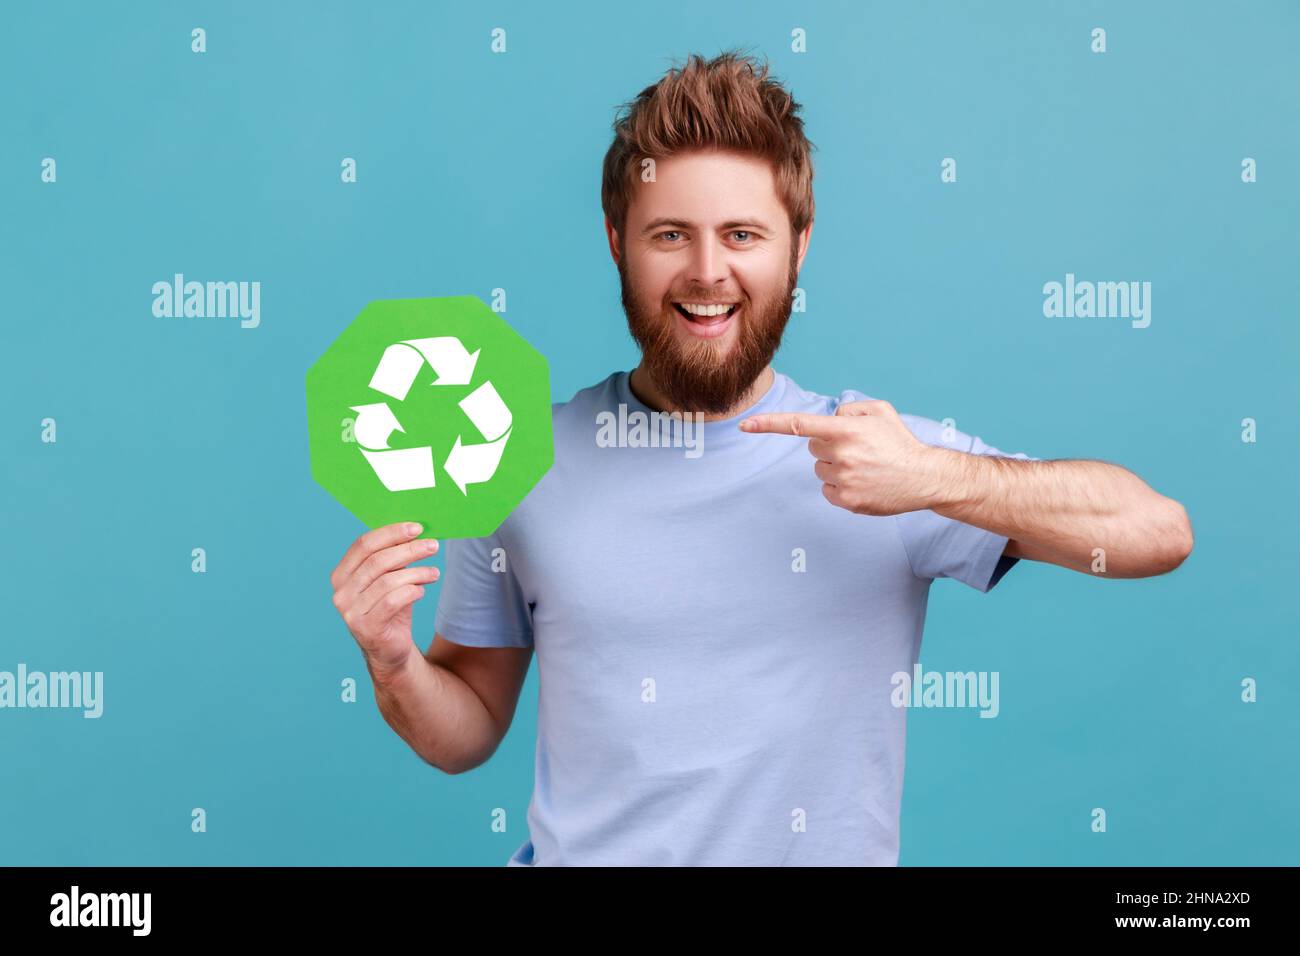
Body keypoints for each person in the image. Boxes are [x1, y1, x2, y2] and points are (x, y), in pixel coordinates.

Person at [329, 51, 1193, 866]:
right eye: (671, 235)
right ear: (616, 241)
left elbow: (1156, 532)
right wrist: (393, 663)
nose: (708, 273)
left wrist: (936, 477)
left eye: (742, 234)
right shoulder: (516, 461)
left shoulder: (879, 454)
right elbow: (468, 727)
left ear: (799, 245)